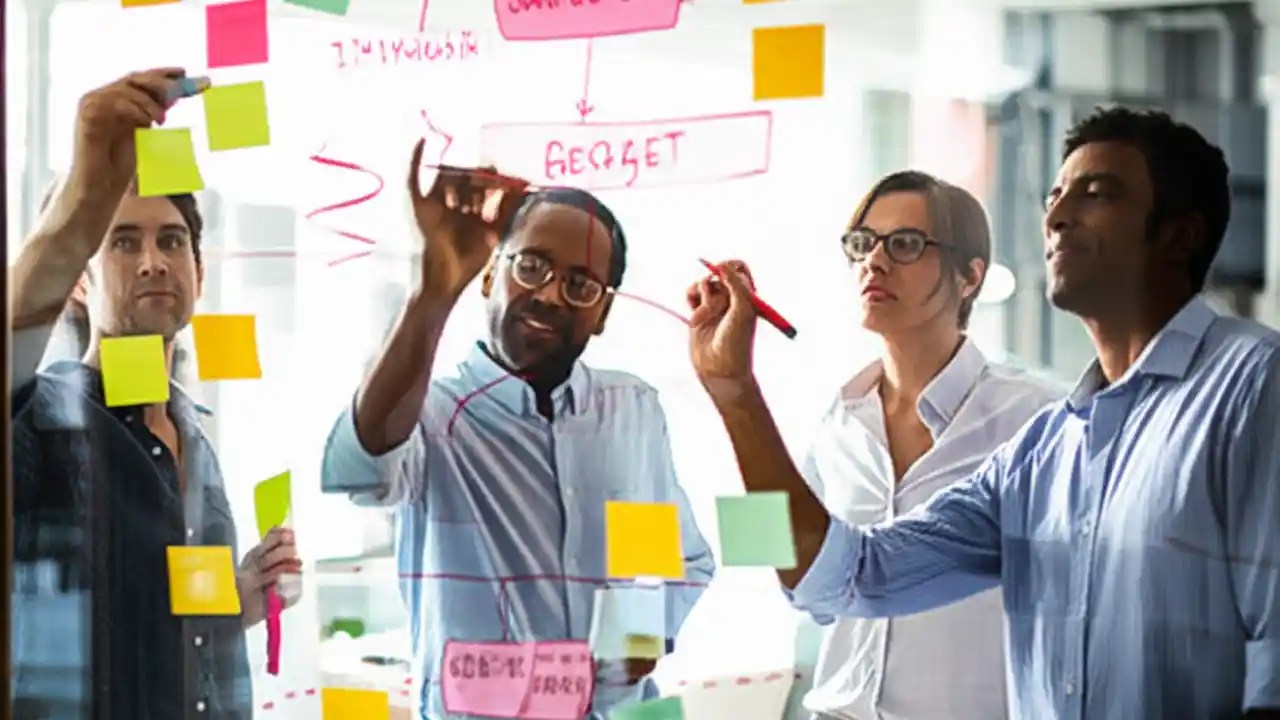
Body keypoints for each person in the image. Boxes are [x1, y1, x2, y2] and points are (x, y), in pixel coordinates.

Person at [686, 106, 1280, 719]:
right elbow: (841, 577)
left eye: (1097, 194)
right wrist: (734, 390)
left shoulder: (1249, 386)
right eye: (1055, 196)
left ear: (1179, 233)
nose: (1056, 217)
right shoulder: (1044, 449)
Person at [319, 144, 715, 718]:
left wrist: (640, 633)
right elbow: (357, 472)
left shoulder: (632, 410)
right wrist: (434, 290)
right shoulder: (432, 414)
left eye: (581, 285)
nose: (551, 294)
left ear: (602, 314)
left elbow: (676, 559)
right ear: (489, 277)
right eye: (532, 266)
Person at [9, 68, 302, 719]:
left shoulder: (191, 435)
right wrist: (83, 193)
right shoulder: (43, 417)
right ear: (78, 283)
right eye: (121, 242)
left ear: (199, 269)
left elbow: (150, 620)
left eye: (172, 240)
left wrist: (237, 600)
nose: (152, 262)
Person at [789, 171, 1062, 720]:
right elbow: (795, 581)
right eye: (863, 244)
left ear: (970, 277)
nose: (875, 262)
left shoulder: (1036, 419)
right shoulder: (837, 422)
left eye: (906, 245)